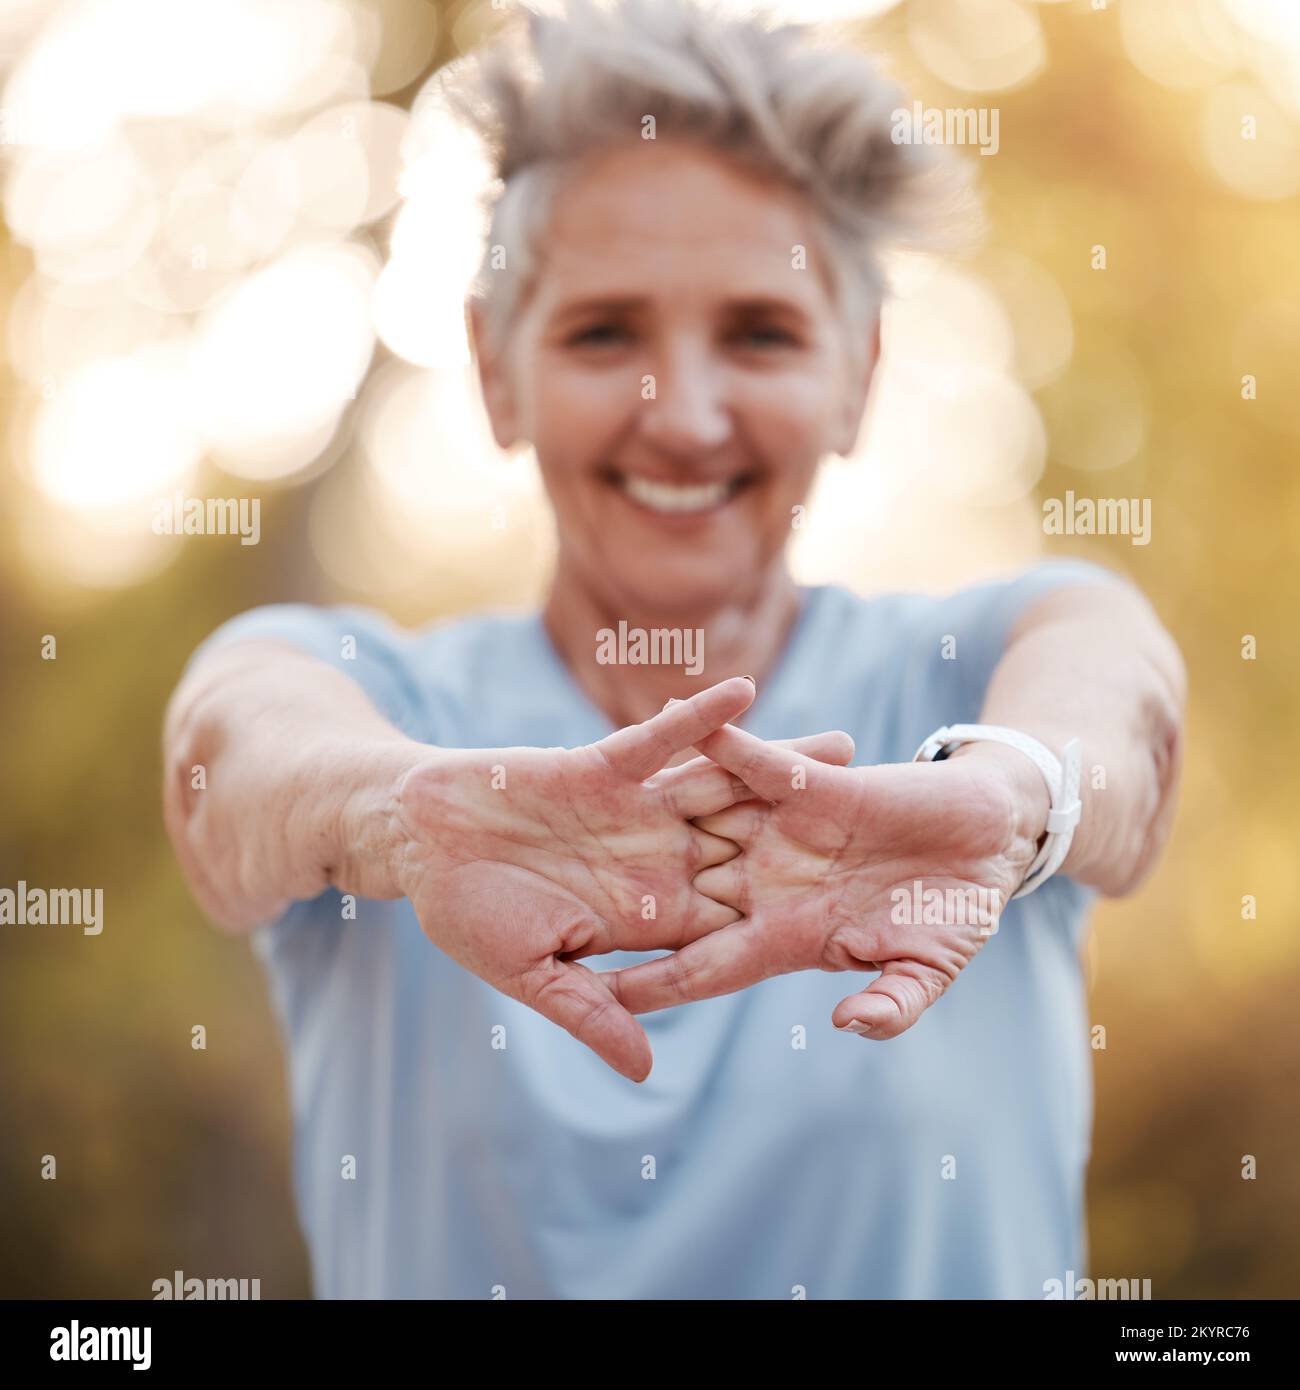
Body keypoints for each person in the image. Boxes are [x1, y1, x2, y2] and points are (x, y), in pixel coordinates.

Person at [162, 0, 1186, 1299]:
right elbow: (229, 752)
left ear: (858, 374)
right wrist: (400, 824)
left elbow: (1121, 706)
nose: (685, 416)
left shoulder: (980, 671)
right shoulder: (377, 700)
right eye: (604, 334)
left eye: (761, 332)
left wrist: (1021, 795)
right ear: (495, 371)